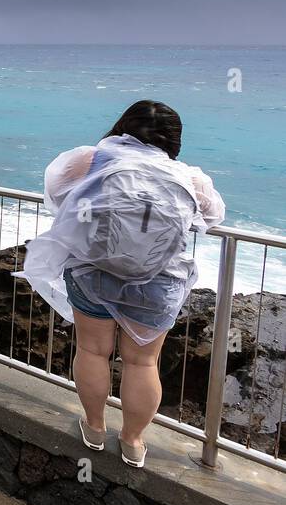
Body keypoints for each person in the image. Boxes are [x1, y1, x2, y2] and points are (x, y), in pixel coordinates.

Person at [17, 101, 224, 469]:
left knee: (93, 351)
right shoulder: (189, 177)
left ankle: (95, 428)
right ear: (174, 140)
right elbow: (212, 215)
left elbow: (56, 190)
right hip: (158, 280)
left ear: (124, 126)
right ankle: (132, 441)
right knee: (143, 362)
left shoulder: (91, 159)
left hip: (92, 271)